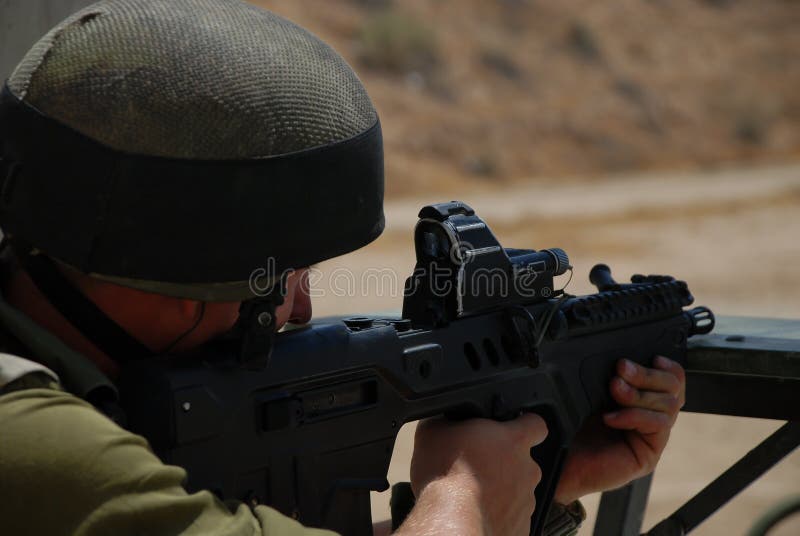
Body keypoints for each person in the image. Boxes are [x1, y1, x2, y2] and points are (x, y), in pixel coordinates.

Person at [0, 1, 686, 535]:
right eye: (290, 273)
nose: (300, 310)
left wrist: (539, 485)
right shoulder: (34, 441)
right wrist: (466, 499)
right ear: (189, 280)